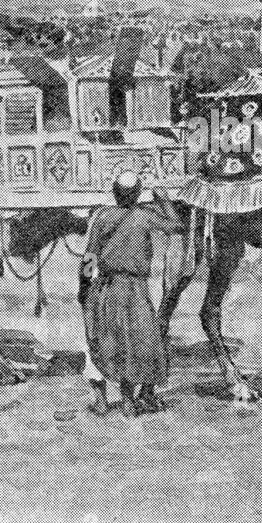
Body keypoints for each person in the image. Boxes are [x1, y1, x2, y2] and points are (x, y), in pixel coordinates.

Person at [81, 171, 182, 417]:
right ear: (138, 194)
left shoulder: (103, 216)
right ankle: (128, 402)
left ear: (115, 193)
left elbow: (90, 256)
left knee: (101, 339)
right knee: (133, 343)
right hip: (136, 291)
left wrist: (83, 287)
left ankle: (102, 401)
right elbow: (177, 227)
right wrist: (165, 201)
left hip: (108, 288)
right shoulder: (145, 216)